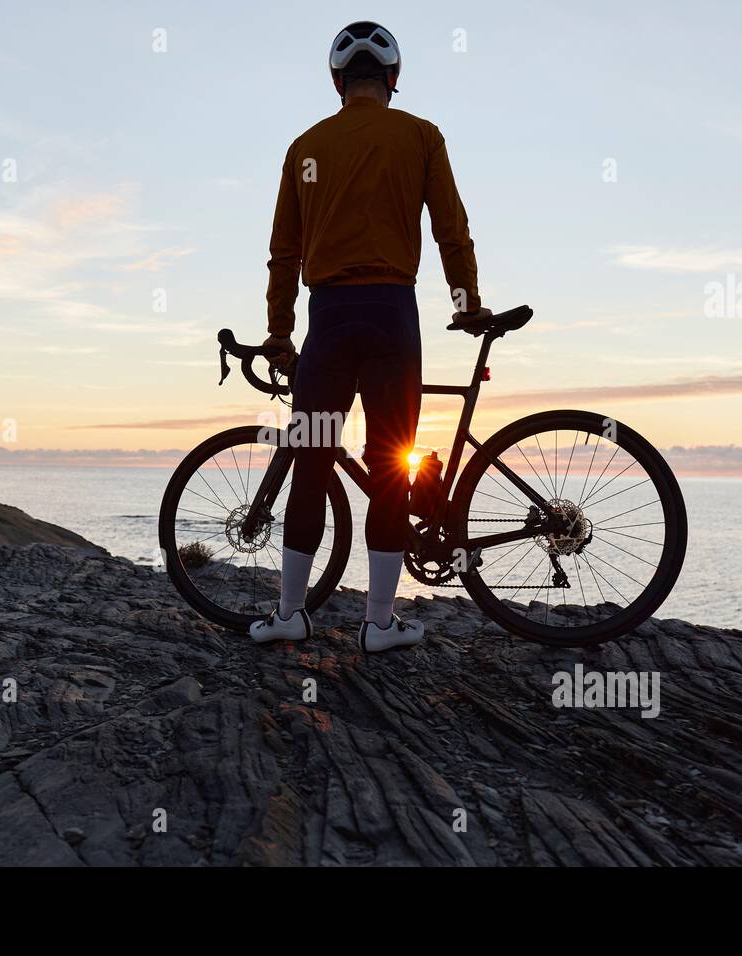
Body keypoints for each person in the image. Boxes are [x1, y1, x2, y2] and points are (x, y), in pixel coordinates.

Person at [248, 21, 491, 652]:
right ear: (391, 78)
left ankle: (291, 615)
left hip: (328, 316)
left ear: (336, 81)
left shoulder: (305, 146)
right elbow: (451, 230)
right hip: (391, 311)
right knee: (390, 468)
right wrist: (466, 304)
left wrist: (279, 331)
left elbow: (283, 251)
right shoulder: (420, 136)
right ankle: (379, 624)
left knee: (310, 462)